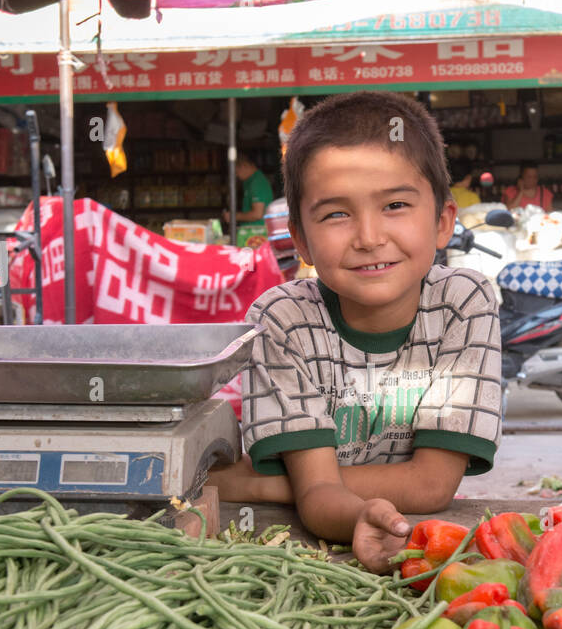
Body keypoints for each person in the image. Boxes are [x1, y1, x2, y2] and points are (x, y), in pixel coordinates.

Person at [206, 91, 503, 573]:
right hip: (312, 556)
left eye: (396, 205)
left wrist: (262, 485)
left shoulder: (464, 304)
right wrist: (343, 504)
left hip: (412, 545)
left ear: (443, 221)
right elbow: (320, 496)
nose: (368, 237)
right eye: (336, 214)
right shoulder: (283, 319)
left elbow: (431, 487)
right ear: (300, 239)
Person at [224, 152, 275, 224]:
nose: (236, 175)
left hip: (257, 231)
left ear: (244, 165)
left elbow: (257, 214)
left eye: (236, 172)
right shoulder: (248, 181)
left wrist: (234, 216)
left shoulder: (257, 183)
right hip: (249, 231)